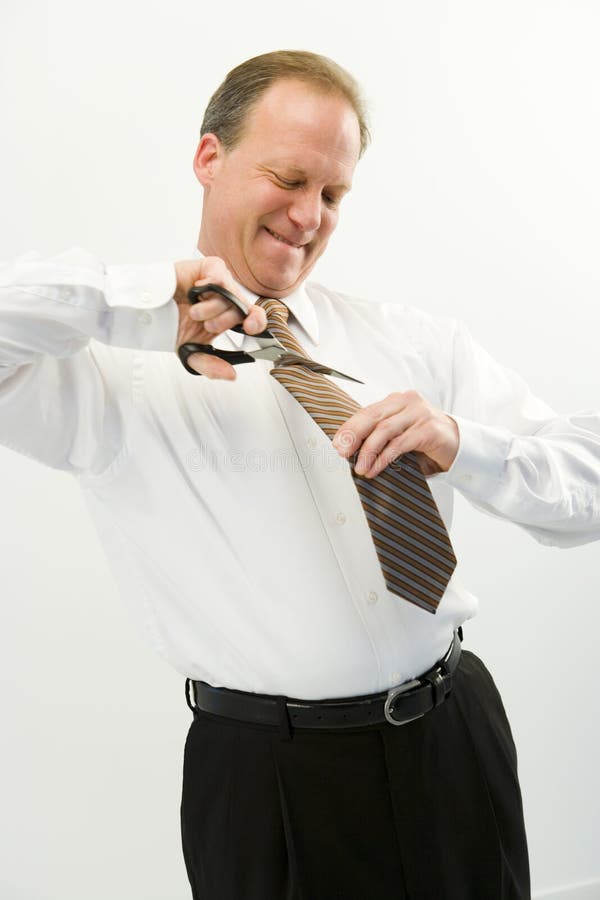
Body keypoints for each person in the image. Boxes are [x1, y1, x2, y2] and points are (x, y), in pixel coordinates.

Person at [1, 49, 599, 900]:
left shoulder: (409, 341)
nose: (309, 216)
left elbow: (589, 486)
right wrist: (140, 299)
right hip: (270, 785)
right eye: (288, 179)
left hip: (455, 742)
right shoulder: (102, 381)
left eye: (333, 194)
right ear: (209, 158)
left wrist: (464, 443)